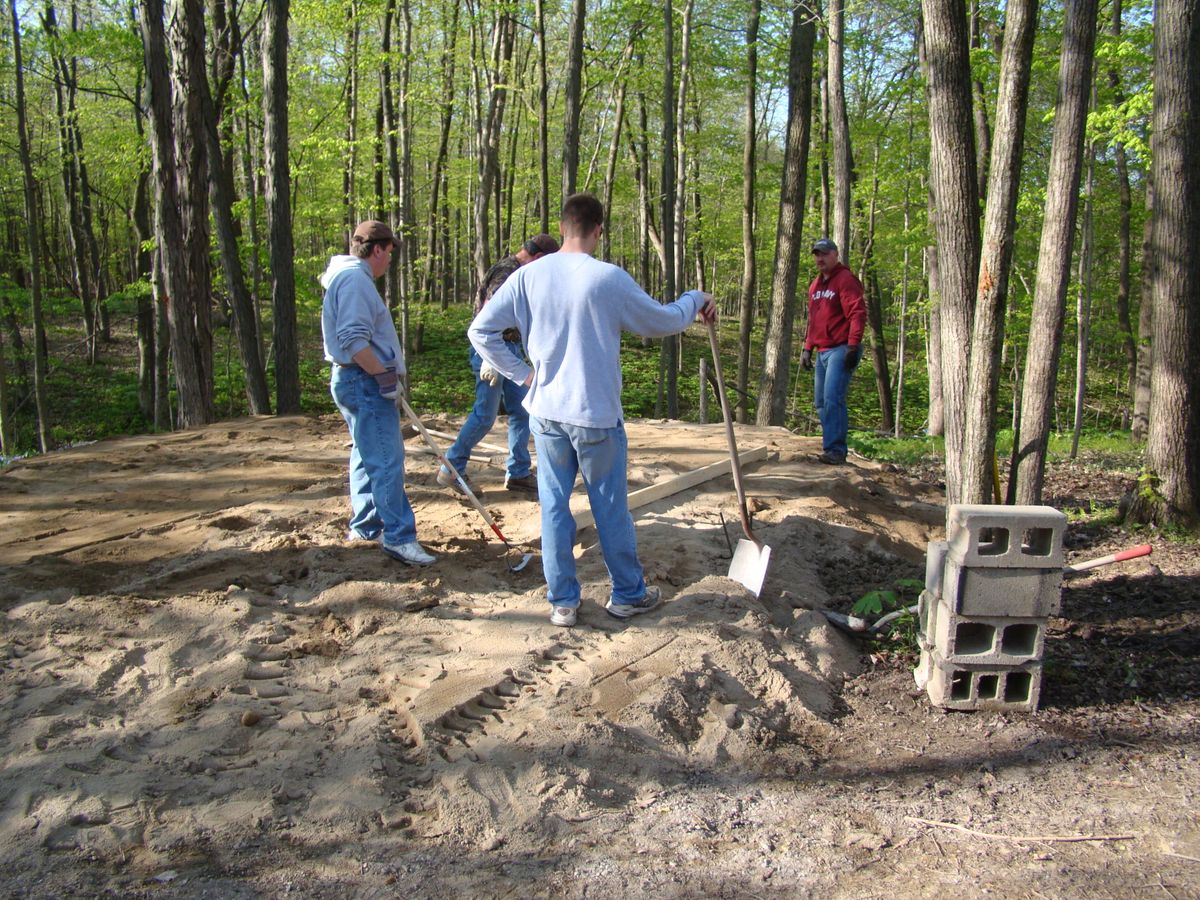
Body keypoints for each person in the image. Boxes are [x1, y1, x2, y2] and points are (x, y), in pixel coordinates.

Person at [469, 193, 715, 628]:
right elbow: (662, 321)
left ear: (563, 227)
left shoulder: (529, 276)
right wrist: (694, 298)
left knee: (554, 506)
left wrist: (522, 374)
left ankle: (562, 602)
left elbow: (481, 329)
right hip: (595, 415)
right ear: (599, 230)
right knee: (609, 508)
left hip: (546, 412)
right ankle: (627, 595)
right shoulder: (607, 278)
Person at [320, 220, 436, 566]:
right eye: (389, 253)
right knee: (387, 460)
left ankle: (367, 526)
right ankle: (399, 537)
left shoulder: (350, 277)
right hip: (363, 380)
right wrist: (383, 375)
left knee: (366, 453)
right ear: (378, 249)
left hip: (357, 379)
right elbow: (353, 340)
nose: (389, 261)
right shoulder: (355, 280)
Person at [438, 234, 560, 496]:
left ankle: (518, 472)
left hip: (509, 351)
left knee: (522, 410)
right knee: (485, 415)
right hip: (493, 350)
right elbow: (487, 314)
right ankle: (452, 467)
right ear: (537, 257)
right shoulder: (507, 273)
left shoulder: (515, 271)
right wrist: (488, 359)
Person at [800, 238, 867, 466]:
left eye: (825, 254)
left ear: (835, 255)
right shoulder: (815, 286)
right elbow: (814, 320)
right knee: (820, 401)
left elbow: (857, 313)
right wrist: (807, 348)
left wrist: (852, 345)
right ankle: (830, 445)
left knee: (832, 398)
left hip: (841, 348)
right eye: (817, 254)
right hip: (822, 350)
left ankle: (836, 449)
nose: (820, 258)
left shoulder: (846, 280)